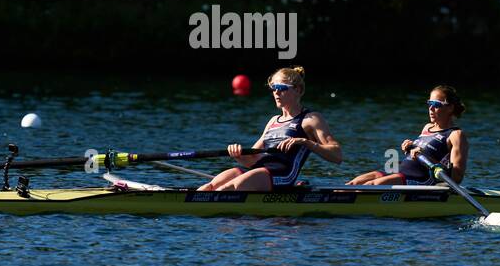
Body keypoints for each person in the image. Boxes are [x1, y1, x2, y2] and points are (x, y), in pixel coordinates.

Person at [199, 66, 343, 192]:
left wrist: (305, 142)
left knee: (227, 188)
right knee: (210, 186)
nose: (276, 93)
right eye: (273, 88)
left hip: (283, 176)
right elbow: (252, 160)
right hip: (261, 172)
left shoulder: (311, 119)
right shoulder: (273, 121)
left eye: (281, 88)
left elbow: (337, 155)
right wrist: (238, 155)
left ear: (297, 90)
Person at [346, 86, 469, 186]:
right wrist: (410, 147)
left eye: (436, 104)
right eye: (429, 103)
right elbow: (418, 154)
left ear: (450, 108)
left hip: (419, 179)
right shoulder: (427, 127)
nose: (431, 108)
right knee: (354, 183)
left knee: (373, 185)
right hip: (399, 172)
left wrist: (424, 157)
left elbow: (456, 177)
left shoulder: (456, 135)